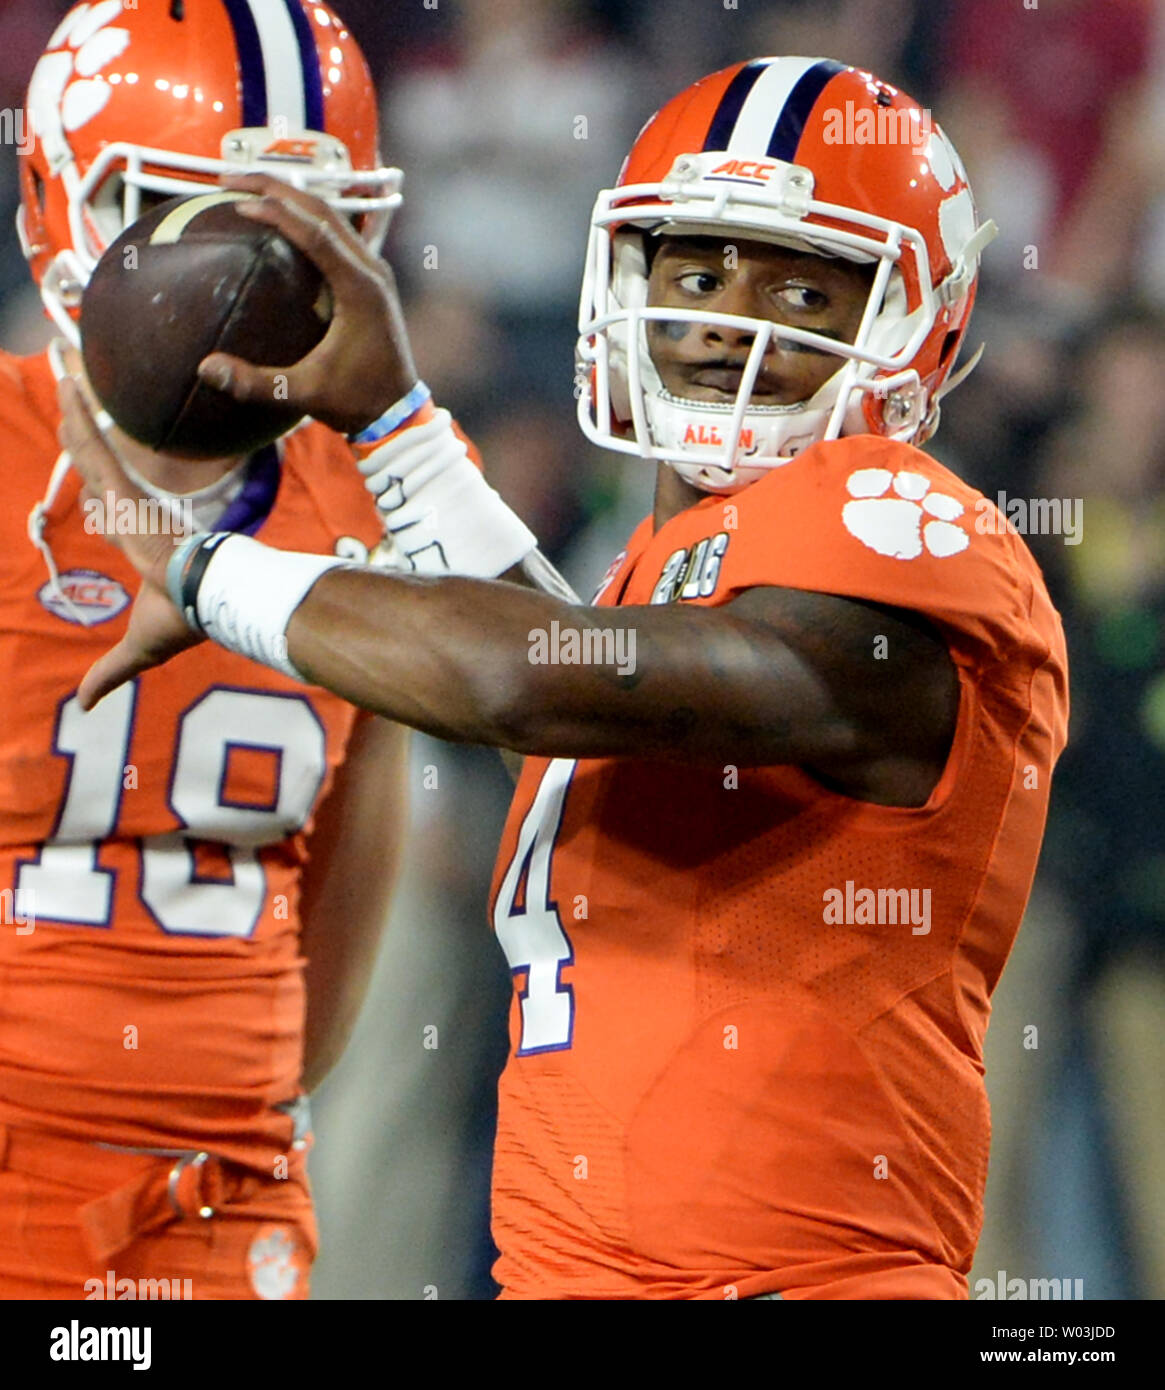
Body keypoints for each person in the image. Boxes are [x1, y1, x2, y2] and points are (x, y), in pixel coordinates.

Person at [64, 56, 1070, 1300]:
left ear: (921, 320)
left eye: (801, 285)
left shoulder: (898, 519)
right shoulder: (666, 568)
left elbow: (532, 684)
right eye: (696, 272)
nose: (722, 320)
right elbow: (579, 709)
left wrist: (214, 573)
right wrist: (391, 425)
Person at [0, 0, 409, 1300]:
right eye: (187, 219)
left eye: (291, 238)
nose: (234, 285)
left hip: (217, 1197)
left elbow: (339, 921)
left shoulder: (366, 496)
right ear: (56, 204)